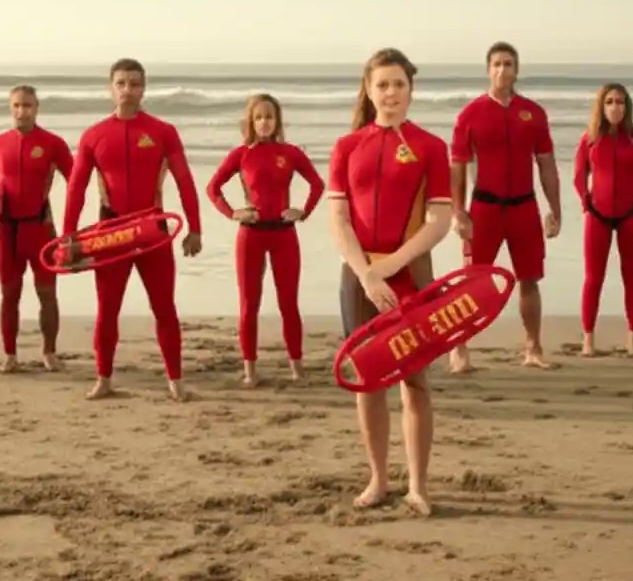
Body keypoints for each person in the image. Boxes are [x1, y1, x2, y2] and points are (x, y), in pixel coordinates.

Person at [327, 48, 452, 515]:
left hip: (411, 275)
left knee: (415, 382)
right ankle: (378, 479)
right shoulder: (347, 146)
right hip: (357, 277)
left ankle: (417, 485)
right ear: (368, 89)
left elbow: (440, 221)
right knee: (369, 379)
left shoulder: (431, 147)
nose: (391, 93)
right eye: (382, 84)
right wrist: (364, 272)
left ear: (411, 89)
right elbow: (338, 220)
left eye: (399, 84)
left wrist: (389, 266)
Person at [61, 58, 203, 402]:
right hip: (111, 230)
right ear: (111, 88)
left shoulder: (162, 131)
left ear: (144, 88)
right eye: (121, 83)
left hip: (152, 228)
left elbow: (185, 181)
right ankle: (104, 378)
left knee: (164, 308)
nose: (128, 90)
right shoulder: (94, 135)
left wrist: (194, 229)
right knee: (107, 309)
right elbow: (76, 189)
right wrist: (68, 238)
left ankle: (175, 380)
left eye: (135, 83)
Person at [448, 41, 561, 372]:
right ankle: (460, 348)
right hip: (484, 208)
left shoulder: (534, 113)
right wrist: (458, 211)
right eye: (496, 64)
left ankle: (533, 348)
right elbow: (457, 166)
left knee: (530, 279)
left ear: (516, 70)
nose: (502, 70)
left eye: (508, 64)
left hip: (524, 207)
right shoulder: (471, 114)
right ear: (488, 69)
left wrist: (554, 208)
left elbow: (547, 164)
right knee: (472, 282)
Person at [205, 93, 324, 387]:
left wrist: (303, 212)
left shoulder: (291, 152)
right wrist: (232, 212)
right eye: (258, 117)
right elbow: (213, 188)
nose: (264, 122)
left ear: (277, 120)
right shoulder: (241, 154)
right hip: (251, 236)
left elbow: (317, 184)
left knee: (288, 303)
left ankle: (296, 367)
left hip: (284, 234)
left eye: (269, 116)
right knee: (249, 304)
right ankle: (250, 370)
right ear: (250, 121)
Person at [0, 84, 73, 373]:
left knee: (47, 293)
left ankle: (49, 352)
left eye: (27, 105)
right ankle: (10, 355)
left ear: (36, 108)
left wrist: (70, 228)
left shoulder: (52, 143)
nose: (21, 111)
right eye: (16, 105)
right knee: (9, 294)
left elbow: (76, 179)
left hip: (40, 228)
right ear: (10, 108)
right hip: (8, 231)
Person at [573, 83, 633, 357]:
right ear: (601, 106)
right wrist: (586, 203)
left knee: (632, 277)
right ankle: (588, 341)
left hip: (631, 215)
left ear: (627, 106)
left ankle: (632, 341)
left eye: (620, 102)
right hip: (597, 216)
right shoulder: (590, 139)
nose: (615, 107)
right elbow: (578, 175)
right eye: (609, 102)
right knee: (593, 279)